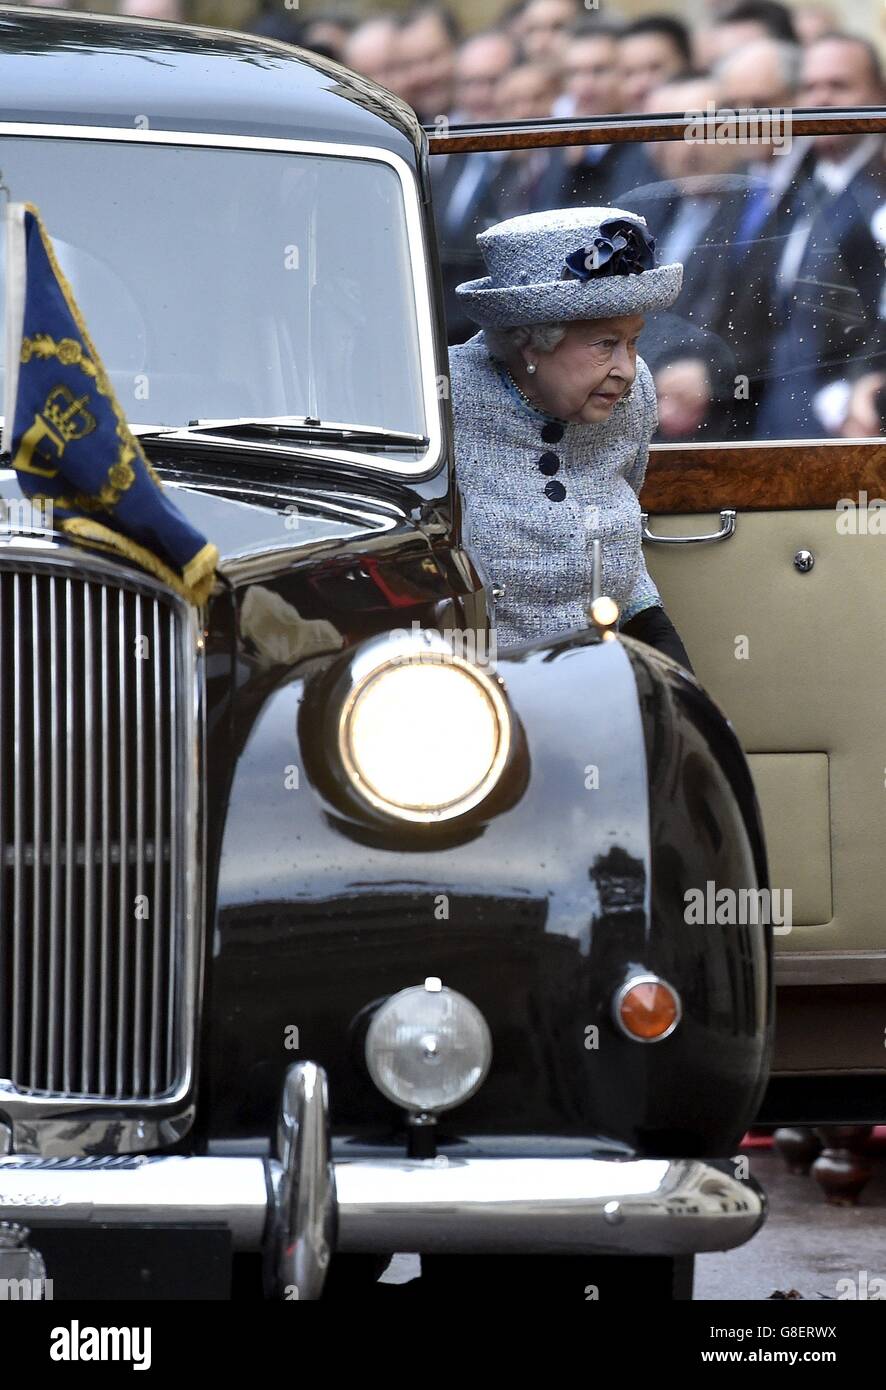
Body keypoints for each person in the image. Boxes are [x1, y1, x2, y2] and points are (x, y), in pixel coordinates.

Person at [448, 205, 693, 671]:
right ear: (532, 341)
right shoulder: (445, 400)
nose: (625, 367)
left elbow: (625, 542)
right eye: (605, 344)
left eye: (634, 340)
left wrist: (667, 654)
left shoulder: (632, 392)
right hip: (479, 698)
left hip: (606, 680)